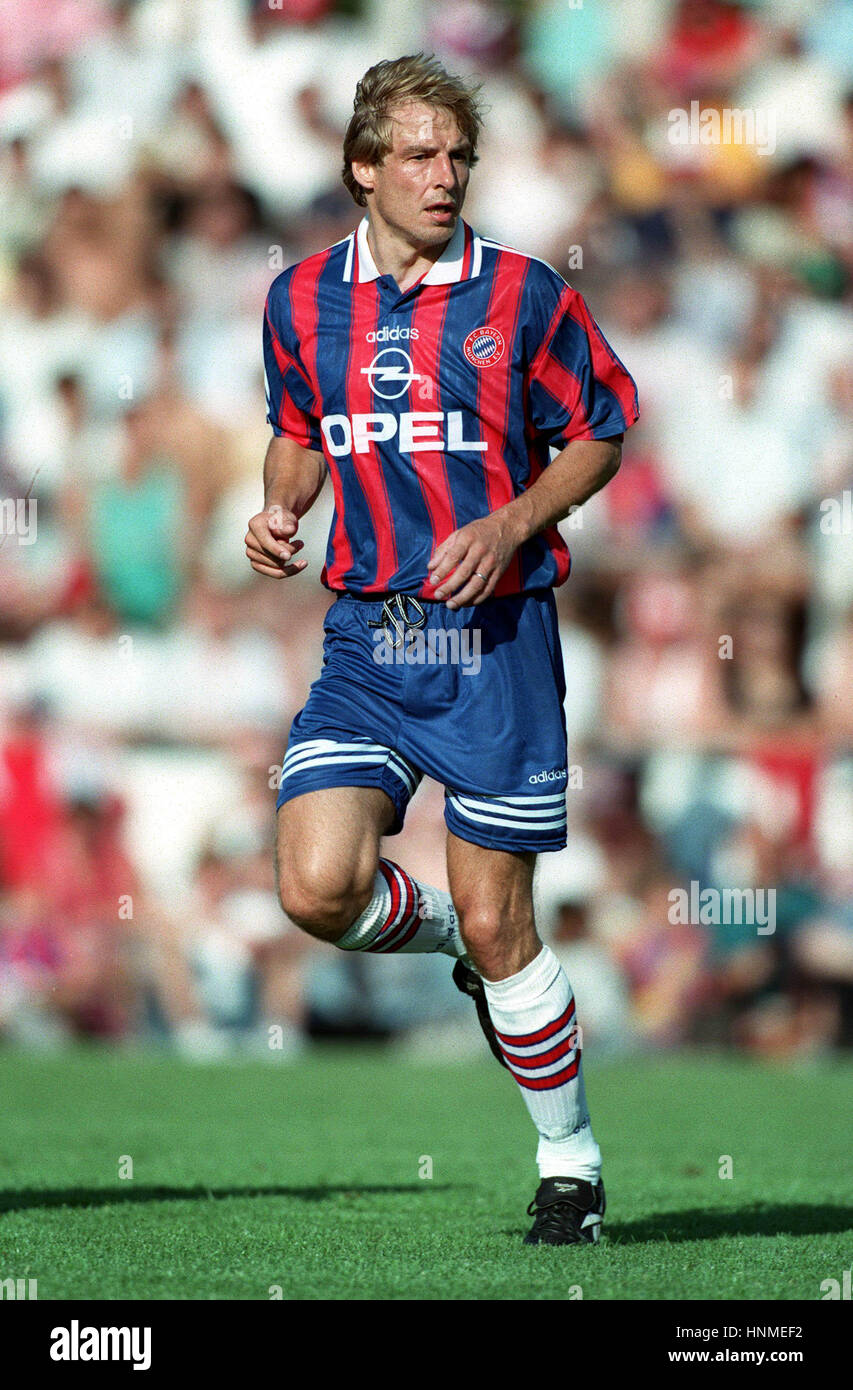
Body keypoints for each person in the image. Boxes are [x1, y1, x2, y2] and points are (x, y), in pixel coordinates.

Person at [245, 53, 638, 1245]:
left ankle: (569, 1163)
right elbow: (300, 431)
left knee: (503, 914)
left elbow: (601, 432)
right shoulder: (300, 299)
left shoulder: (522, 295)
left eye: (458, 155)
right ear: (361, 167)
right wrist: (278, 509)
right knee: (315, 886)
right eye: (418, 153)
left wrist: (514, 517)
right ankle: (464, 946)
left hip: (495, 638)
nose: (444, 175)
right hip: (370, 633)